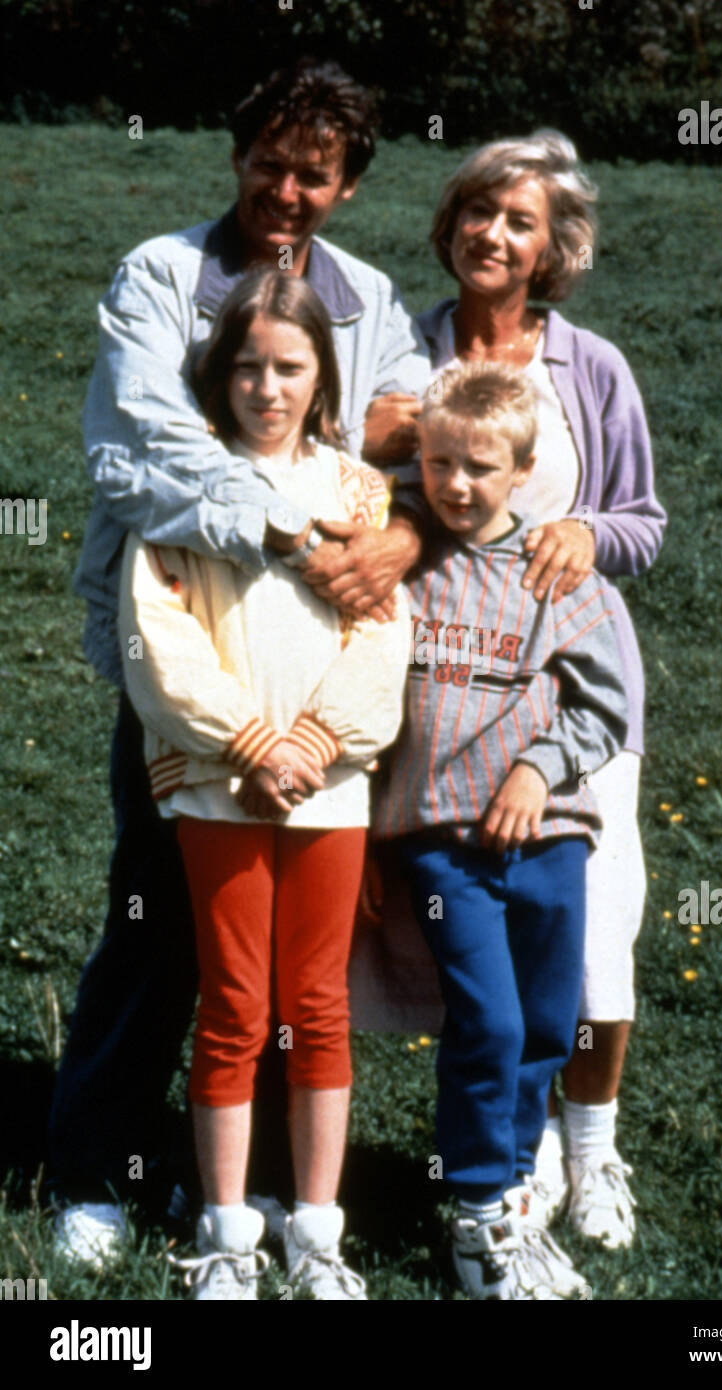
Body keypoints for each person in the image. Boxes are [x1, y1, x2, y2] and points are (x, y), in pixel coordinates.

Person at [49, 57, 431, 1266]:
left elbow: (418, 447)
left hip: (320, 693)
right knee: (161, 919)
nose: (287, 189)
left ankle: (253, 1188)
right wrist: (281, 518)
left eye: (315, 174)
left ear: (350, 187)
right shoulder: (164, 276)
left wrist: (402, 531)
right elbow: (139, 449)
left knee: (293, 960)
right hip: (189, 671)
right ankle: (95, 1169)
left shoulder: (366, 300)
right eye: (269, 162)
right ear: (234, 157)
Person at [392, 130, 666, 1247]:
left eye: (519, 222)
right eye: (477, 211)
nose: (491, 235)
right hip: (443, 697)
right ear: (450, 220)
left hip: (573, 696)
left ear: (554, 248)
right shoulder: (400, 351)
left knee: (592, 935)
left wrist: (580, 530)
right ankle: (511, 1157)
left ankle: (592, 1153)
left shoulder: (587, 366)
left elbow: (643, 527)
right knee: (471, 956)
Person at [118, 268, 409, 1299]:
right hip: (217, 784)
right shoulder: (180, 491)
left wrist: (318, 742)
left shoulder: (356, 493)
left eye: (290, 367)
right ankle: (227, 1231)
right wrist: (249, 741)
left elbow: (383, 639)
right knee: (237, 1002)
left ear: (321, 375)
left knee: (316, 1002)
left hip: (328, 786)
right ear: (218, 375)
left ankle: (317, 1230)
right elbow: (159, 643)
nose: (268, 387)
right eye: (247, 366)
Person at [371, 362, 628, 1299]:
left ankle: (516, 1192)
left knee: (547, 1026)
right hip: (440, 842)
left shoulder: (555, 572)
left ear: (523, 471)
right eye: (439, 462)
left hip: (552, 836)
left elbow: (610, 705)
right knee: (489, 1019)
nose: (457, 484)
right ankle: (477, 1215)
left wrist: (539, 766)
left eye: (481, 466)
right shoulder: (407, 562)